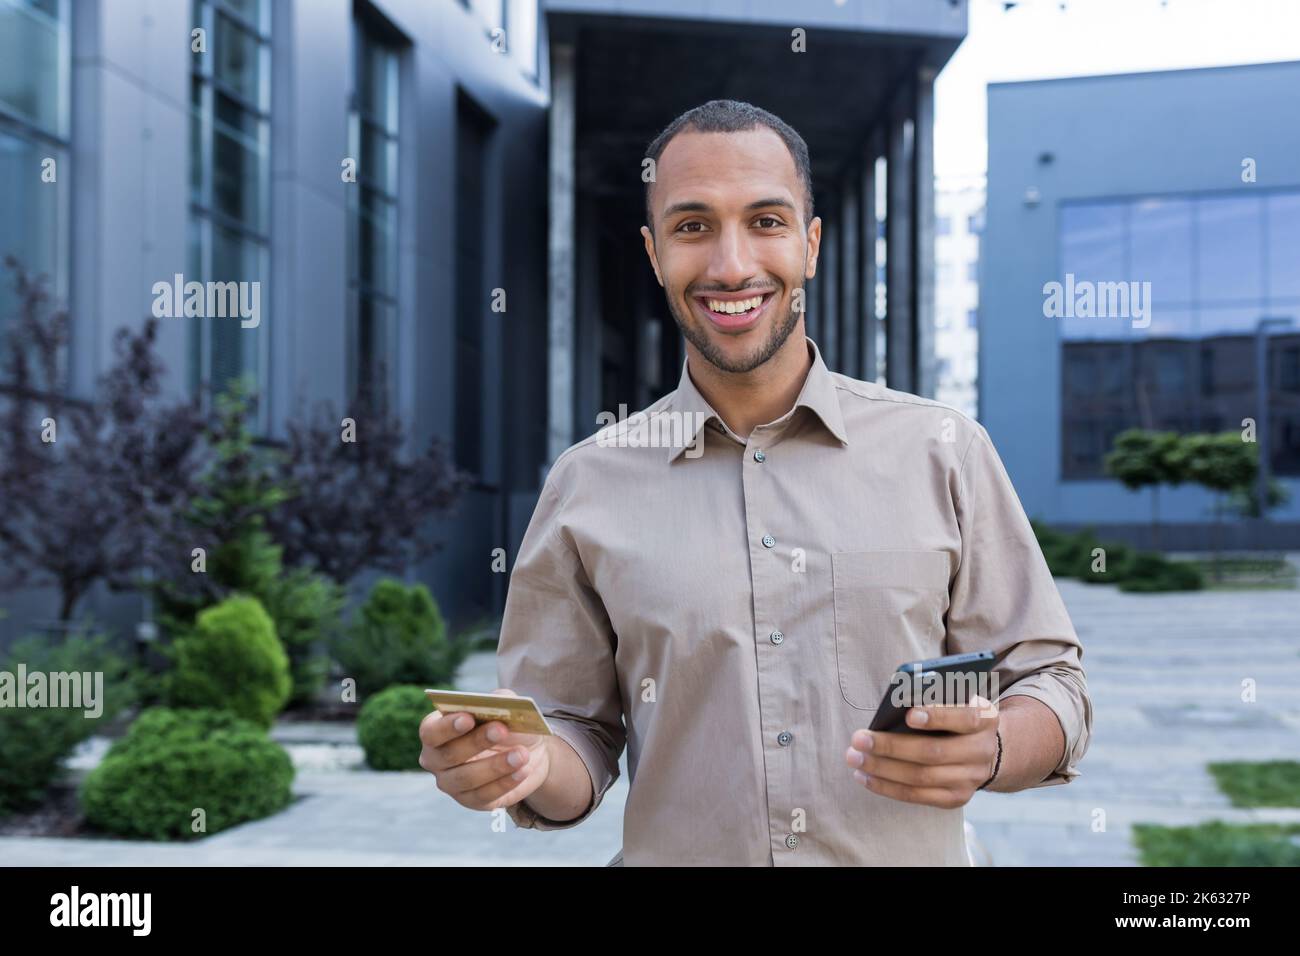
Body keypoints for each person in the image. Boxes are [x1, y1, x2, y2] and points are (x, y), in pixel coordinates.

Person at [420, 99, 1092, 866]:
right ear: (654, 253)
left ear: (810, 244)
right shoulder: (586, 484)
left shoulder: (944, 451)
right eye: (692, 226)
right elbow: (574, 729)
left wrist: (995, 747)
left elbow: (1049, 681)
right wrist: (525, 766)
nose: (731, 266)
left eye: (766, 221)